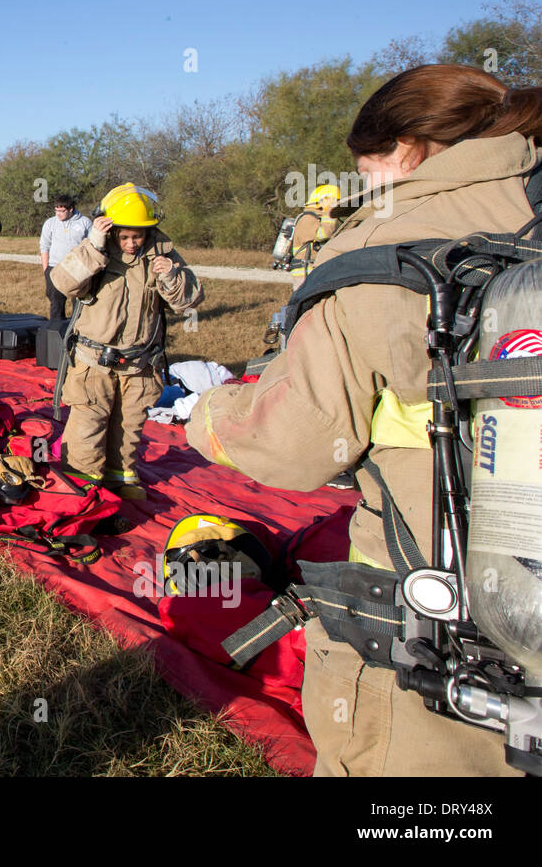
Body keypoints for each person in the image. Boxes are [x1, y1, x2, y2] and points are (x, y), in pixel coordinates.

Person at [185, 63, 542, 776]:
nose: (368, 190)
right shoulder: (525, 212)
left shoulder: (383, 249)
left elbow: (293, 447)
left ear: (407, 149)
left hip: (440, 632)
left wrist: (207, 415)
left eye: (368, 169)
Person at [52, 183, 202, 499]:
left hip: (139, 364)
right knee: (87, 427)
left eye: (138, 236)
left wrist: (171, 277)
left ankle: (120, 479)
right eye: (125, 237)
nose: (132, 244)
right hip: (94, 364)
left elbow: (189, 304)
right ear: (113, 230)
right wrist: (93, 247)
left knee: (129, 427)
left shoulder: (162, 254)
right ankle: (81, 489)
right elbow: (62, 282)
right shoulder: (96, 250)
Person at [40, 195, 92, 320]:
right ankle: (56, 330)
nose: (58, 214)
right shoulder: (50, 223)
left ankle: (76, 331)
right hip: (55, 268)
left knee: (79, 303)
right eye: (56, 210)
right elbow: (44, 246)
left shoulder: (85, 222)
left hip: (77, 268)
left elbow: (92, 246)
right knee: (56, 303)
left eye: (61, 211)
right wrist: (46, 269)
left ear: (71, 209)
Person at [288, 183, 341, 288]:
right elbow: (324, 234)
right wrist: (328, 211)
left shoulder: (317, 218)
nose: (336, 205)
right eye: (334, 201)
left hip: (311, 272)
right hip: (305, 273)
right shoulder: (308, 218)